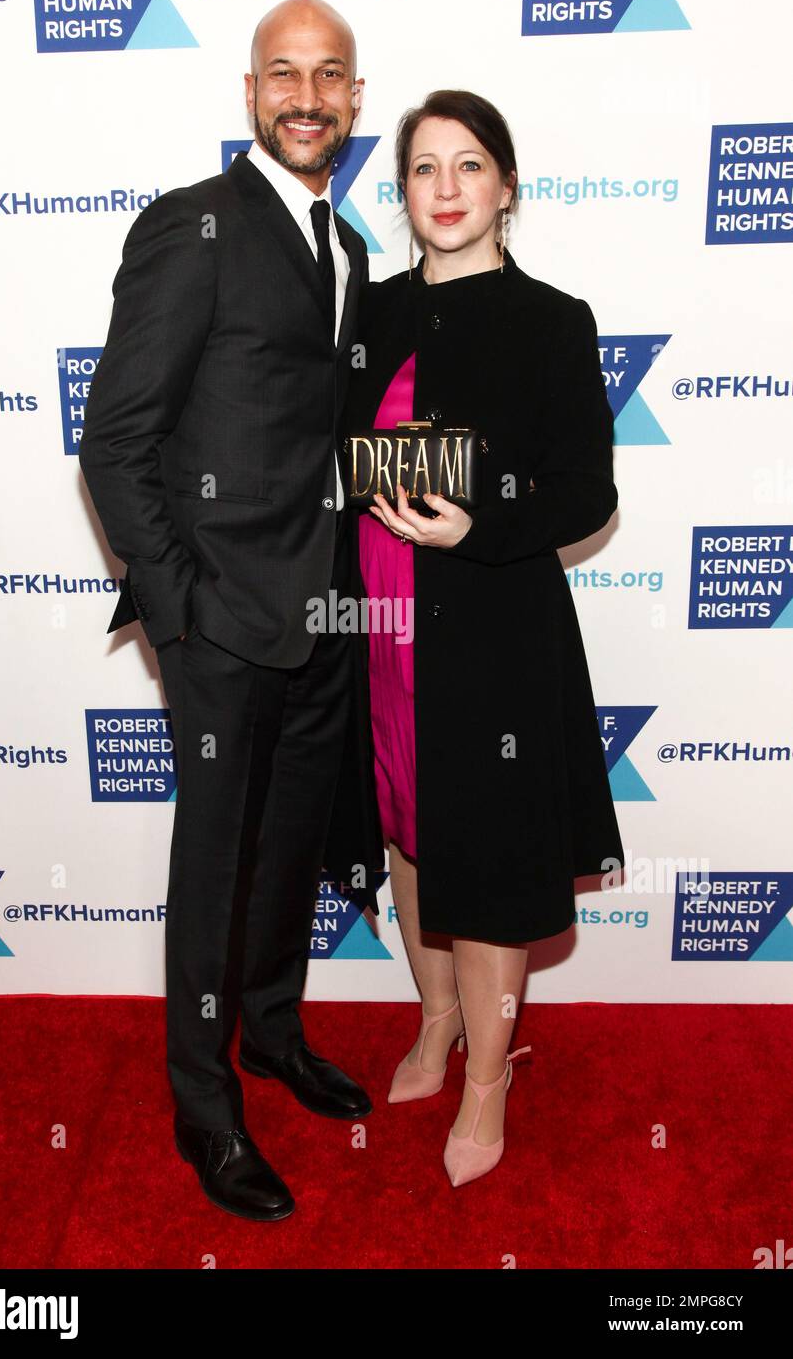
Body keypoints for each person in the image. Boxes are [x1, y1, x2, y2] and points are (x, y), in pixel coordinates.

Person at [78, 0, 380, 1223]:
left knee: (287, 860)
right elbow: (113, 441)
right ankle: (203, 1108)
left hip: (326, 626)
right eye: (282, 75)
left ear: (354, 101)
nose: (305, 97)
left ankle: (270, 1035)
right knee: (212, 875)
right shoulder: (192, 228)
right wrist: (180, 609)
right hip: (219, 628)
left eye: (329, 78)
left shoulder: (350, 246)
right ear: (248, 93)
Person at [338, 90, 625, 1188]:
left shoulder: (553, 319)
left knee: (492, 856)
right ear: (402, 191)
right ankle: (434, 1019)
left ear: (506, 185)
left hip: (494, 621)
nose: (445, 189)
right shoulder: (369, 313)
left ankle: (487, 1079)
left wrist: (481, 518)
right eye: (422, 168)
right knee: (410, 825)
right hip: (379, 615)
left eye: (468, 166)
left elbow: (586, 492)